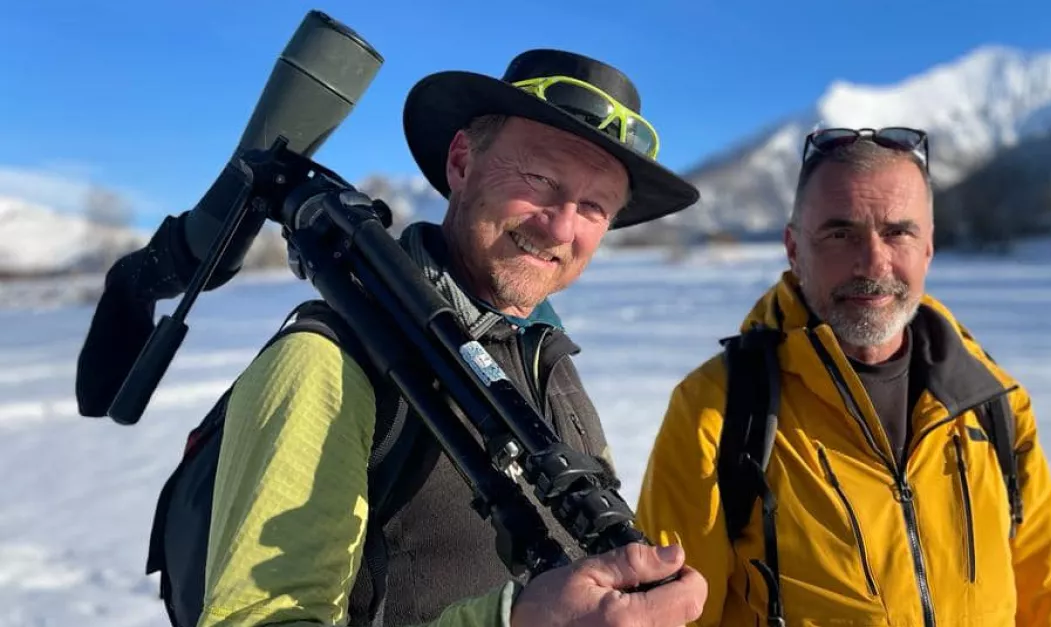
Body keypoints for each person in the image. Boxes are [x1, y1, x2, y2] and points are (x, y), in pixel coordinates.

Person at [158, 48, 708, 627]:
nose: (561, 226)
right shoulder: (326, 362)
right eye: (540, 179)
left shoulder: (547, 357)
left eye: (594, 206)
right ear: (462, 162)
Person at [634, 127, 1051, 626]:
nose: (873, 261)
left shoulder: (995, 403)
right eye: (839, 233)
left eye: (898, 232)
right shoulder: (716, 413)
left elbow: (1049, 599)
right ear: (793, 248)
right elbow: (674, 617)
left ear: (928, 248)